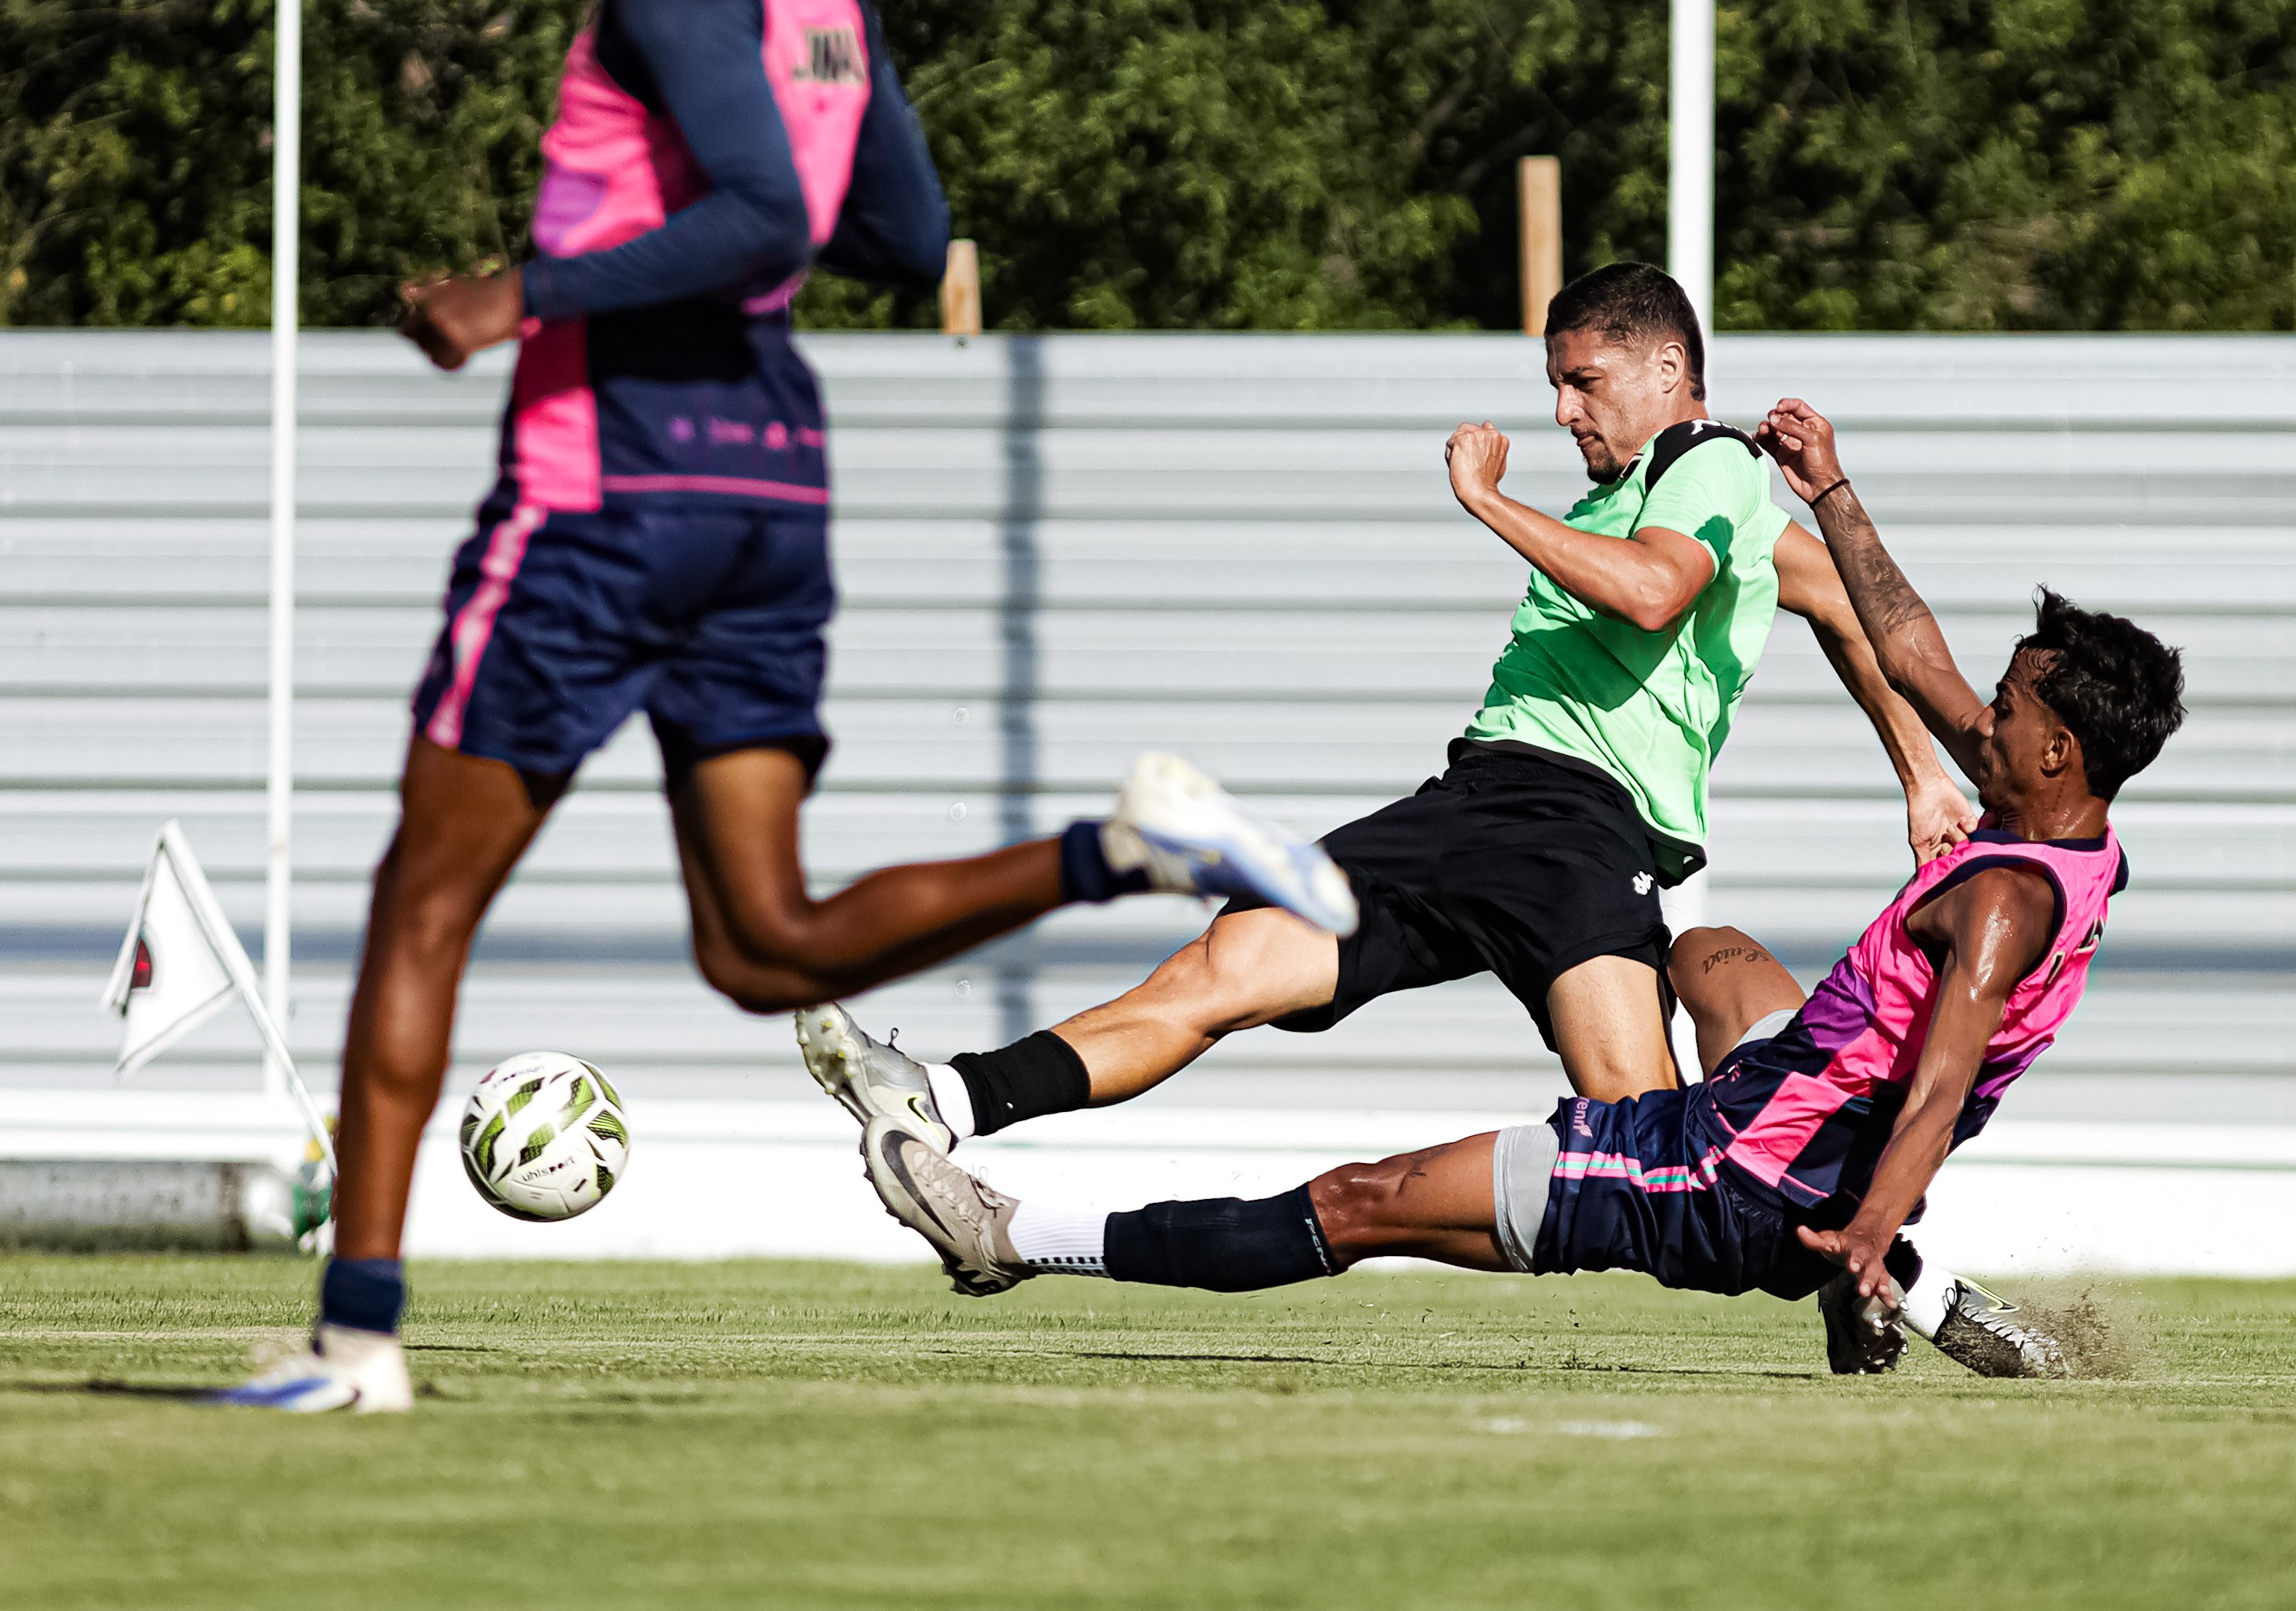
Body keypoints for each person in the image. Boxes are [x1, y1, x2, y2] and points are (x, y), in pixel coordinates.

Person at [221, 0, 1352, 1413]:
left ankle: (354, 1340)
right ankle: (1127, 849)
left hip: (608, 490)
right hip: (770, 493)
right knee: (763, 946)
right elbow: (902, 231)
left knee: (416, 908)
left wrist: (510, 292)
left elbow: (759, 213)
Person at [836, 395, 2187, 1381]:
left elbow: (1941, 1089)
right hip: (1779, 1119)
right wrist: (1832, 492)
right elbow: (1902, 645)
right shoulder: (2073, 837)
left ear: (2054, 747)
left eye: (2003, 707)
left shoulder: (2000, 902)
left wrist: (1871, 1237)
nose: (1979, 714)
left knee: (1364, 1201)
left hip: (1713, 1173)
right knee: (1708, 952)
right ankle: (1875, 1261)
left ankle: (1014, 1234)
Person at [798, 263, 1975, 1165]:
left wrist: (1485, 500)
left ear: (1668, 370)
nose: (1565, 408)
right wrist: (1918, 773)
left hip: (1574, 825)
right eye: (1555, 384)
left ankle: (1883, 1259)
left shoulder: (1708, 463)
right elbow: (1839, 610)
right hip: (1476, 807)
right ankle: (944, 1101)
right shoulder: (1670, 506)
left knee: (1647, 1150)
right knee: (1228, 966)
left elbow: (1655, 595)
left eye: (1585, 380)